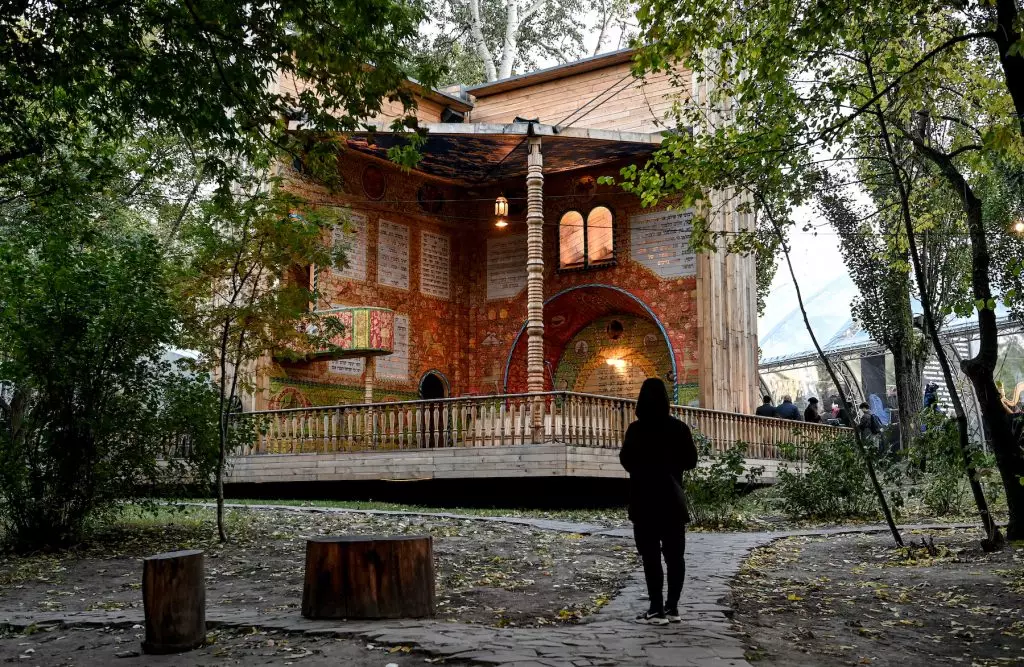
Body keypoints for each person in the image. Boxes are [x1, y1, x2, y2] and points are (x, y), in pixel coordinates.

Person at [620, 378, 699, 626]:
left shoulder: (635, 429)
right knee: (675, 556)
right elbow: (691, 461)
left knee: (651, 556)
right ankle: (673, 607)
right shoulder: (679, 428)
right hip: (671, 500)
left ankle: (656, 609)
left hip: (643, 500)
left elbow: (626, 461)